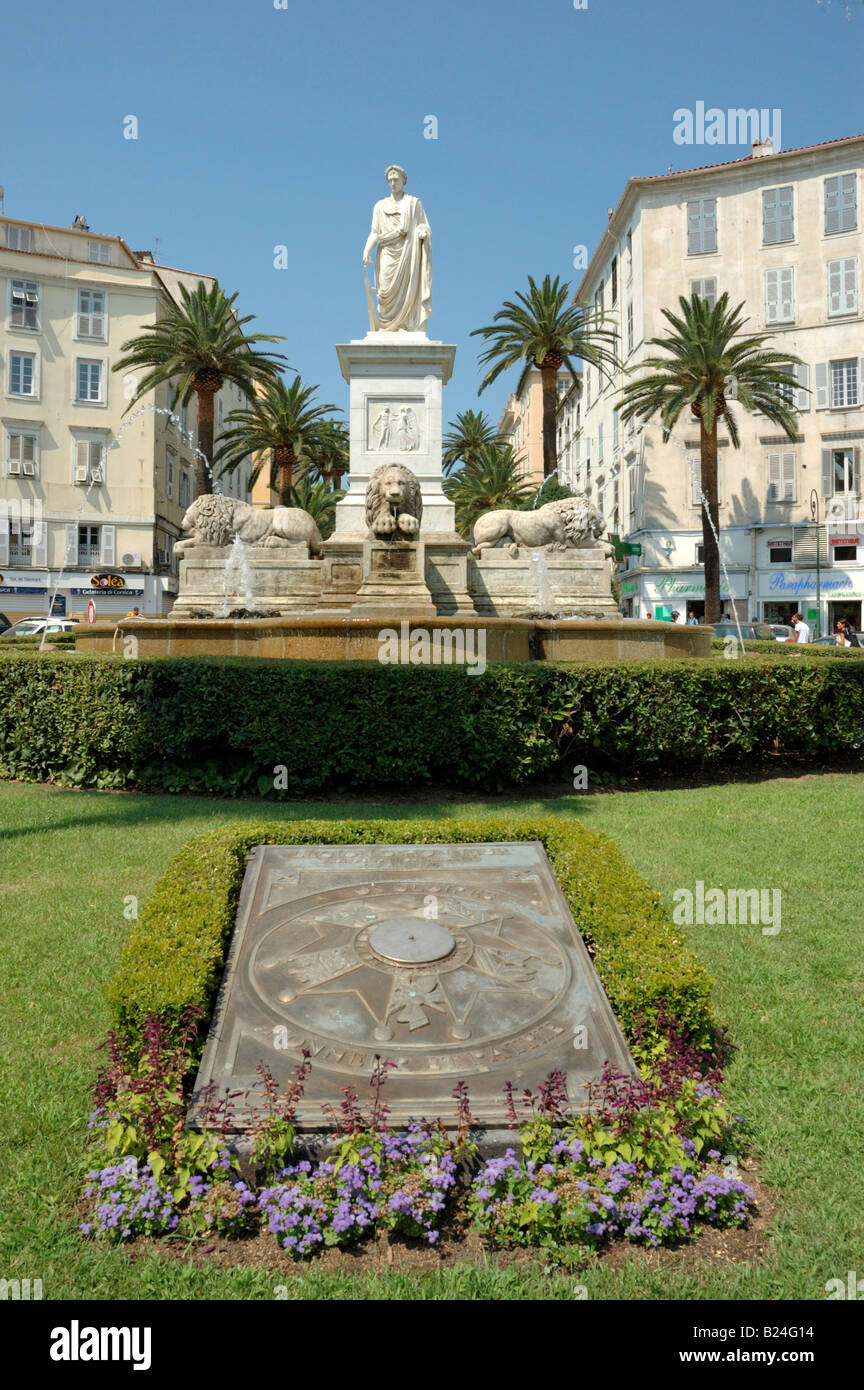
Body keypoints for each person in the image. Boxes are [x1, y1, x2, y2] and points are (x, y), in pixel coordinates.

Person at [362, 166, 432, 332]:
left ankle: (406, 324)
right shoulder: (379, 206)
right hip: (386, 253)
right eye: (390, 180)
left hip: (408, 254)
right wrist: (366, 250)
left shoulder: (414, 204)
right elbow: (374, 232)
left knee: (408, 290)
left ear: (403, 181)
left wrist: (423, 231)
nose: (393, 183)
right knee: (384, 292)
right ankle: (387, 327)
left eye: (396, 180)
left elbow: (424, 226)